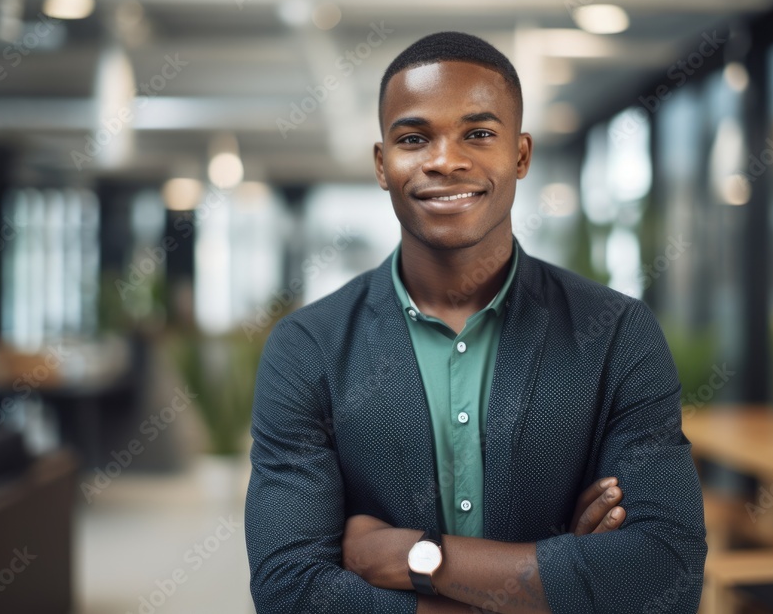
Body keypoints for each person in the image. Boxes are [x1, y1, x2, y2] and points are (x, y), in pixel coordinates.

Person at [245, 31, 706, 613]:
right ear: (383, 164)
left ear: (521, 155)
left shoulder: (618, 334)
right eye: (414, 138)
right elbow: (290, 591)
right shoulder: (307, 348)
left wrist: (417, 557)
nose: (444, 160)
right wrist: (553, 583)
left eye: (479, 134)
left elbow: (667, 574)